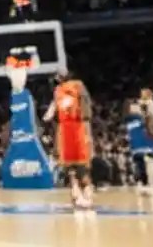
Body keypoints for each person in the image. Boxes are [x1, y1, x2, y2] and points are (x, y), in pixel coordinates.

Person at [43, 70, 93, 209]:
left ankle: (86, 193)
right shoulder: (58, 90)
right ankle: (76, 194)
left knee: (81, 165)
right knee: (69, 166)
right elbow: (53, 108)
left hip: (77, 126)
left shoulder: (77, 85)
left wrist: (86, 121)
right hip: (65, 128)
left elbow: (85, 103)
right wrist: (49, 114)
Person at [125, 88, 153, 193]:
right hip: (144, 133)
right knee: (149, 159)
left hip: (144, 134)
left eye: (142, 94)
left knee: (147, 159)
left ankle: (150, 183)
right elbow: (151, 119)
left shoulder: (146, 105)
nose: (141, 95)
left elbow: (150, 119)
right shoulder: (146, 105)